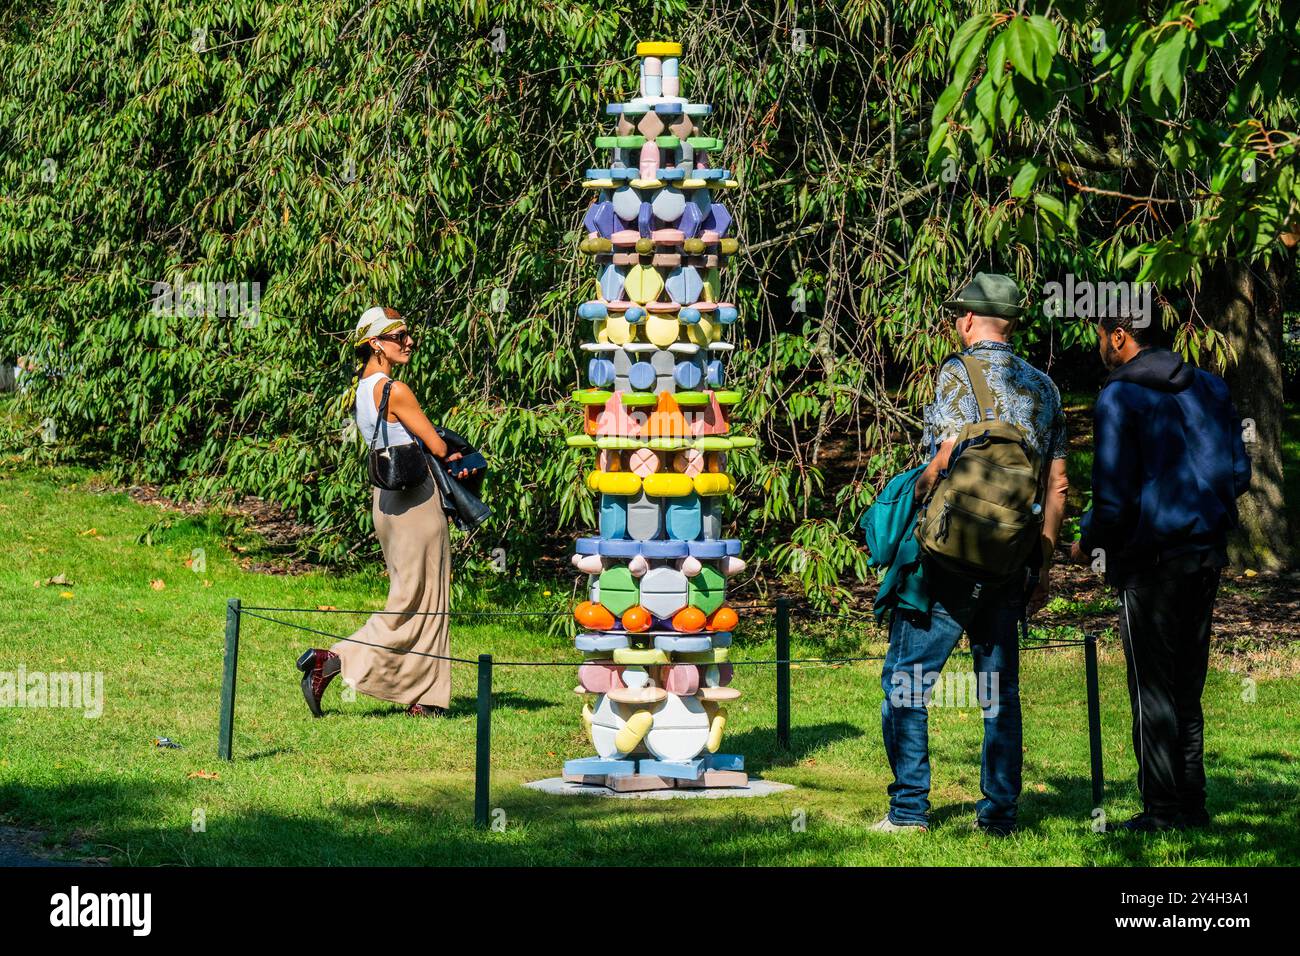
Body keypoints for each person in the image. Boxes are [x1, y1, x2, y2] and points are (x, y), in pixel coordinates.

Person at [873, 273, 1069, 836]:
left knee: (907, 683)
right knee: (999, 693)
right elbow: (1056, 486)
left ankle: (909, 811)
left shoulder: (956, 375)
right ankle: (1000, 818)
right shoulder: (1044, 388)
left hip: (945, 562)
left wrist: (919, 484)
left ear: (965, 321)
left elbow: (941, 463)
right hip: (1009, 561)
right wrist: (1042, 564)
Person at [1070, 313, 1251, 832]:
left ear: (1120, 336)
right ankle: (1191, 803)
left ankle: (1163, 810)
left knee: (1152, 688)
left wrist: (1089, 539)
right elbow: (1239, 472)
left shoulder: (1119, 398)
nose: (1099, 346)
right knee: (1186, 688)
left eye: (1101, 335)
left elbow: (1114, 500)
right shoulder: (1210, 387)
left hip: (1149, 564)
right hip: (1205, 557)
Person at [296, 306, 475, 719]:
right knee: (419, 599)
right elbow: (437, 445)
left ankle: (425, 697)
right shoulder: (395, 389)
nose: (409, 342)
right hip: (415, 501)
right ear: (375, 343)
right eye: (400, 337)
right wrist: (459, 451)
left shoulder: (361, 388)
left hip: (386, 501)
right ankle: (332, 660)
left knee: (418, 597)